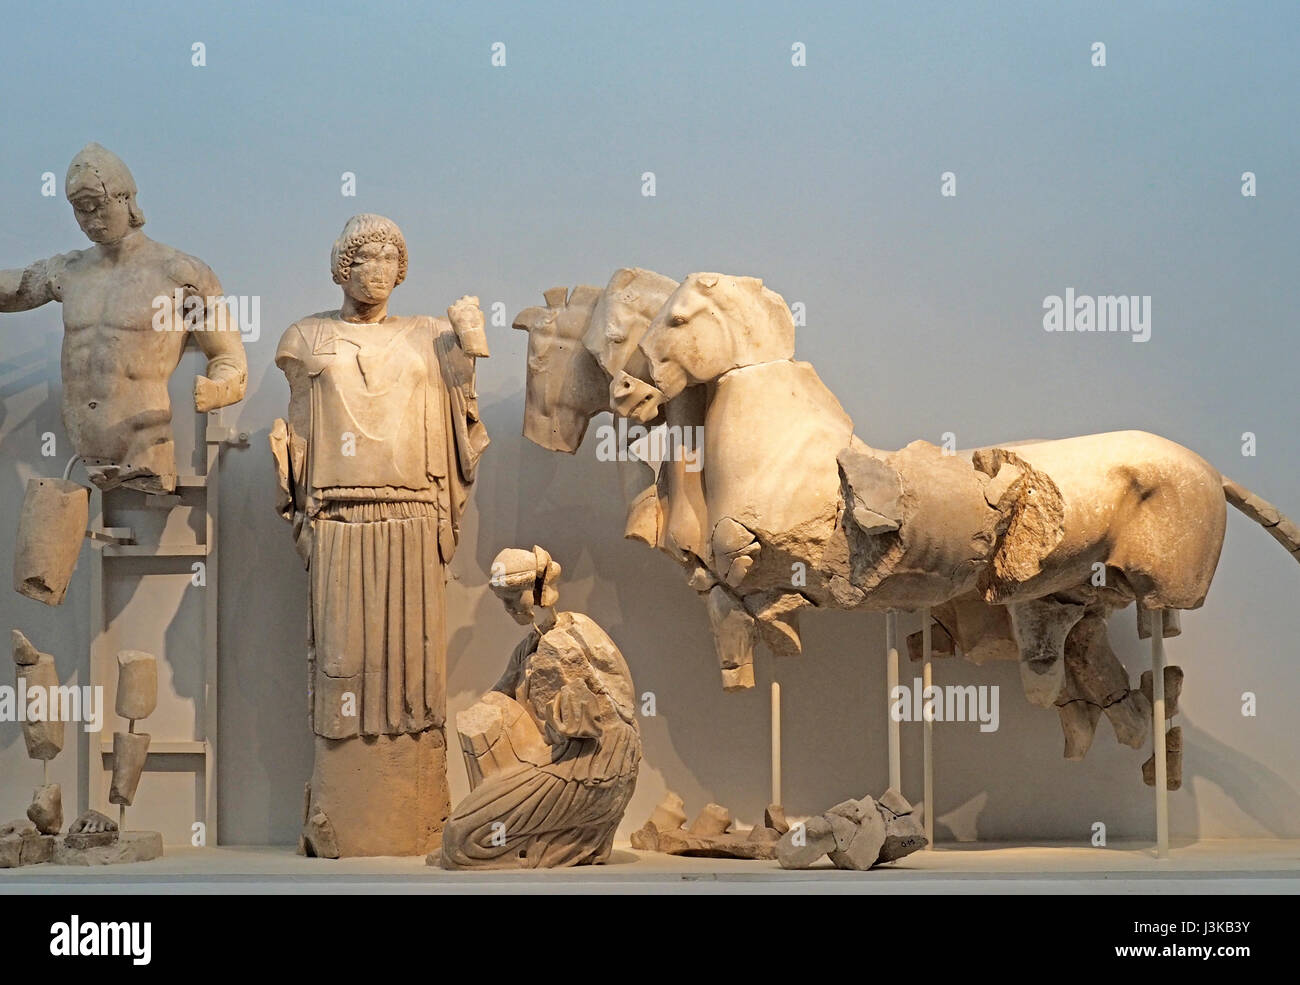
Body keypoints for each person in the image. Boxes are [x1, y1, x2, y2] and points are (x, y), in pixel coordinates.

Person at [271, 213, 489, 857]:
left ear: (402, 269)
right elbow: (300, 439)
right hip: (341, 517)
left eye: (390, 260)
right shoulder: (306, 339)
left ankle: (412, 810)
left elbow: (463, 421)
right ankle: (345, 809)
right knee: (342, 658)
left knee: (413, 665)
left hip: (415, 515)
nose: (377, 271)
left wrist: (469, 348)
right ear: (342, 266)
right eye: (364, 258)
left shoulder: (431, 336)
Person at [0, 143, 247, 493]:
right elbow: (14, 289)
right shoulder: (70, 270)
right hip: (84, 448)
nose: (91, 220)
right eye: (81, 210)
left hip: (145, 447)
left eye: (99, 206)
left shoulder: (179, 273)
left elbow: (229, 357)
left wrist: (219, 388)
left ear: (127, 200)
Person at [440, 546, 641, 869]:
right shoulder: (531, 645)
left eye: (511, 598)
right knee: (460, 834)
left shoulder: (574, 636)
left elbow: (615, 712)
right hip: (549, 760)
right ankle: (518, 842)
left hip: (592, 768)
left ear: (535, 591)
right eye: (502, 600)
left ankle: (529, 847)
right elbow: (499, 693)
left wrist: (572, 709)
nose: (507, 609)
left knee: (460, 837)